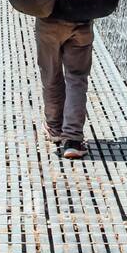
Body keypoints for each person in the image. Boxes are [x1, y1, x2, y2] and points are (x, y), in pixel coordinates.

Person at [35, 16, 94, 159]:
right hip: (81, 19)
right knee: (77, 78)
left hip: (48, 19)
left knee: (50, 73)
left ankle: (55, 128)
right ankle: (73, 140)